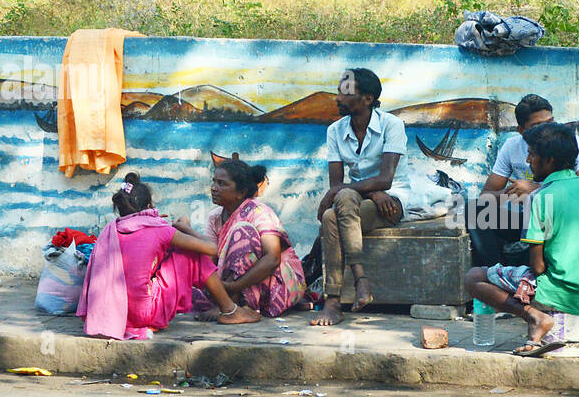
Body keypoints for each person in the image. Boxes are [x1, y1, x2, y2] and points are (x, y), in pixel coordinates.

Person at [465, 123, 579, 357]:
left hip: (556, 293)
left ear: (549, 160)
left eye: (532, 155)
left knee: (474, 277)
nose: (528, 160)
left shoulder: (539, 197)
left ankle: (534, 316)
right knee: (572, 273)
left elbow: (538, 267)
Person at [78, 172, 257, 341]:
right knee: (195, 256)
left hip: (113, 313)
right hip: (143, 314)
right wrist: (185, 228)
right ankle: (230, 310)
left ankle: (227, 308)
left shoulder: (111, 230)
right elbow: (211, 249)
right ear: (149, 206)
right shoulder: (159, 229)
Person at [311, 68, 423, 326]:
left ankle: (333, 301)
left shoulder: (391, 125)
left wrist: (373, 190)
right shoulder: (335, 131)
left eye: (345, 93)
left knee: (331, 216)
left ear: (368, 99)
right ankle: (360, 279)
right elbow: (337, 185)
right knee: (336, 209)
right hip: (357, 201)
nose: (337, 98)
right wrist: (371, 191)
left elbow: (386, 179)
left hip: (391, 201)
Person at [472, 94, 579, 267]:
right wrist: (513, 193)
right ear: (521, 131)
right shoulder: (512, 147)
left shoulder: (570, 143)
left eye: (551, 123)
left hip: (557, 217)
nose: (546, 130)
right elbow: (486, 196)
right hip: (524, 218)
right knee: (475, 210)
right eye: (538, 126)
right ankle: (494, 271)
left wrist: (535, 190)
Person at [180, 158, 306, 319]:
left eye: (222, 184)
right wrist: (186, 231)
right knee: (185, 292)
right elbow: (211, 255)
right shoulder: (214, 217)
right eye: (214, 182)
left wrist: (233, 286)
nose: (213, 188)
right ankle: (227, 303)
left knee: (242, 231)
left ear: (241, 192)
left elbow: (273, 258)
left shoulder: (259, 212)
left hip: (276, 285)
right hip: (233, 286)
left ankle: (231, 307)